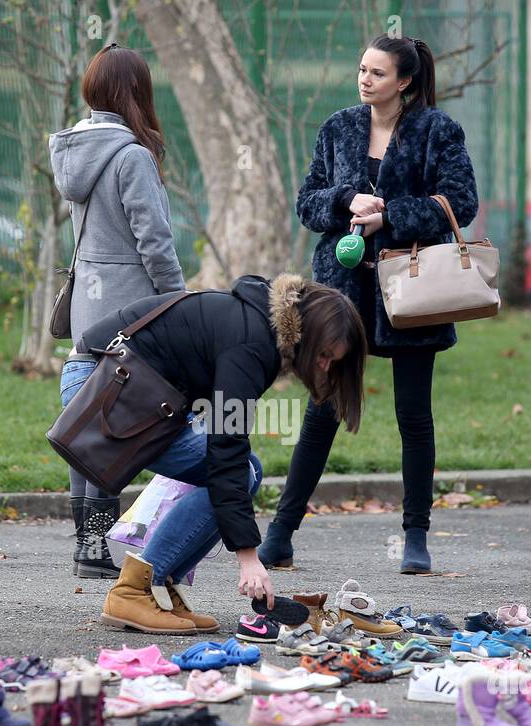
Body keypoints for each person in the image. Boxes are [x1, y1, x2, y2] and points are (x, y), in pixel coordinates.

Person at [257, 33, 479, 575]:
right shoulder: (337, 127)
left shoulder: (437, 131)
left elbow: (462, 202)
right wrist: (343, 200)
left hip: (412, 291)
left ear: (404, 81)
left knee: (413, 416)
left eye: (377, 73)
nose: (364, 79)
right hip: (342, 295)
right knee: (323, 409)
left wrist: (392, 216)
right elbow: (307, 204)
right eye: (361, 69)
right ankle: (282, 533)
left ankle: (416, 538)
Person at [60, 274, 367, 635]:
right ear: (309, 332)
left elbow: (228, 441)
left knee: (246, 468)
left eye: (335, 361)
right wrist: (249, 558)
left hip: (124, 383)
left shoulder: (259, 326)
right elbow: (226, 448)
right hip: (102, 386)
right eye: (325, 355)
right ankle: (134, 591)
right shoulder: (254, 344)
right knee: (237, 471)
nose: (326, 368)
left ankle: (157, 588)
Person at [49, 44, 185, 580]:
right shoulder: (130, 155)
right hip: (132, 308)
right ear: (136, 92)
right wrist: (177, 300)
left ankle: (89, 547)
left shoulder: (72, 150)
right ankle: (92, 547)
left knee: (90, 424)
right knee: (112, 429)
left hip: (89, 305)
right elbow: (154, 241)